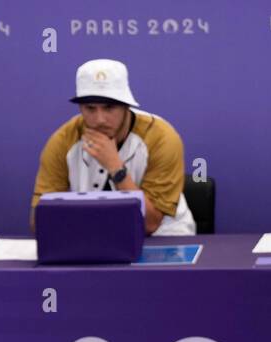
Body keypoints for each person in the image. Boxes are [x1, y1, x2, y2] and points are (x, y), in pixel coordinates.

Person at [31, 59, 195, 236]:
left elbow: (150, 224)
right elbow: (39, 221)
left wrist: (116, 168)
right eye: (90, 108)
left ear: (126, 106)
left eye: (109, 107)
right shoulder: (63, 141)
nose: (99, 119)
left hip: (163, 236)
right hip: (93, 237)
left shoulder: (162, 138)